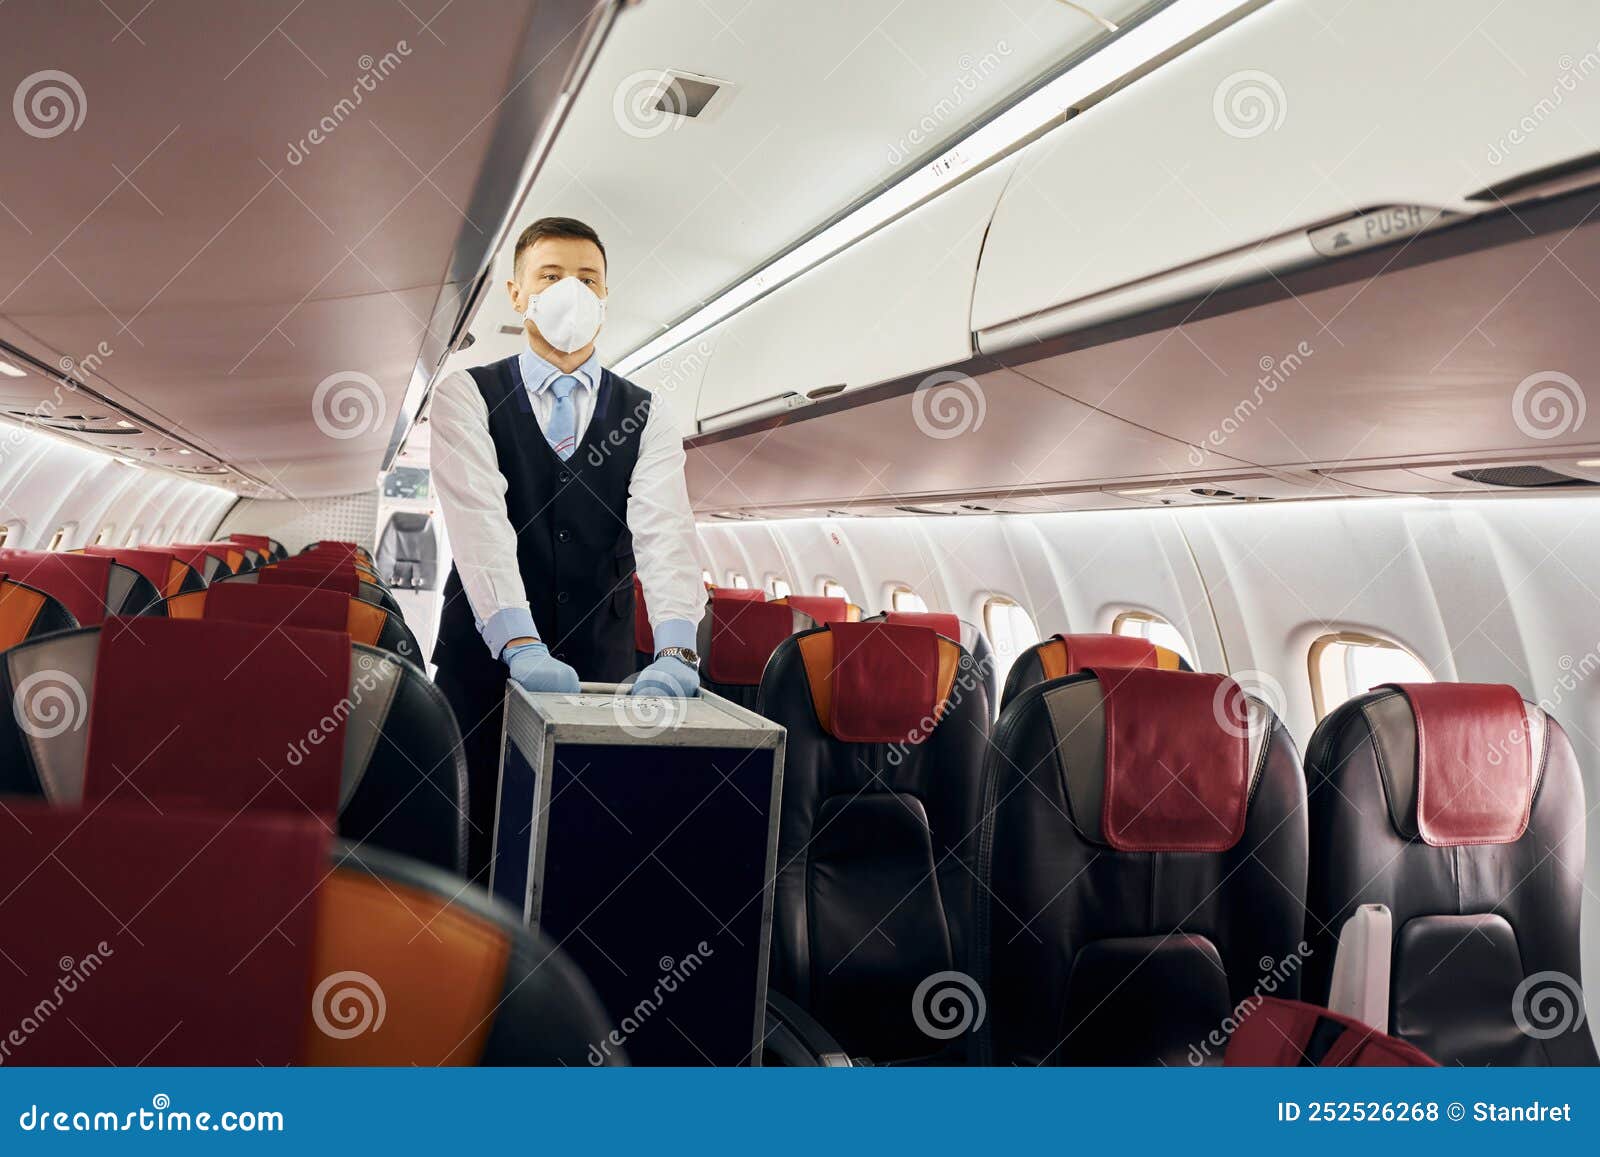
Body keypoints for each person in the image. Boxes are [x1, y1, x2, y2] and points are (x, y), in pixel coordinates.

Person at [430, 216, 703, 881]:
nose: (571, 292)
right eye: (550, 277)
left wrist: (677, 648)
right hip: (480, 673)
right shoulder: (467, 394)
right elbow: (480, 524)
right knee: (465, 851)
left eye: (587, 279)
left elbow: (665, 531)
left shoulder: (648, 413)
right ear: (516, 294)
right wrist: (518, 642)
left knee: (580, 861)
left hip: (600, 677)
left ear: (606, 297)